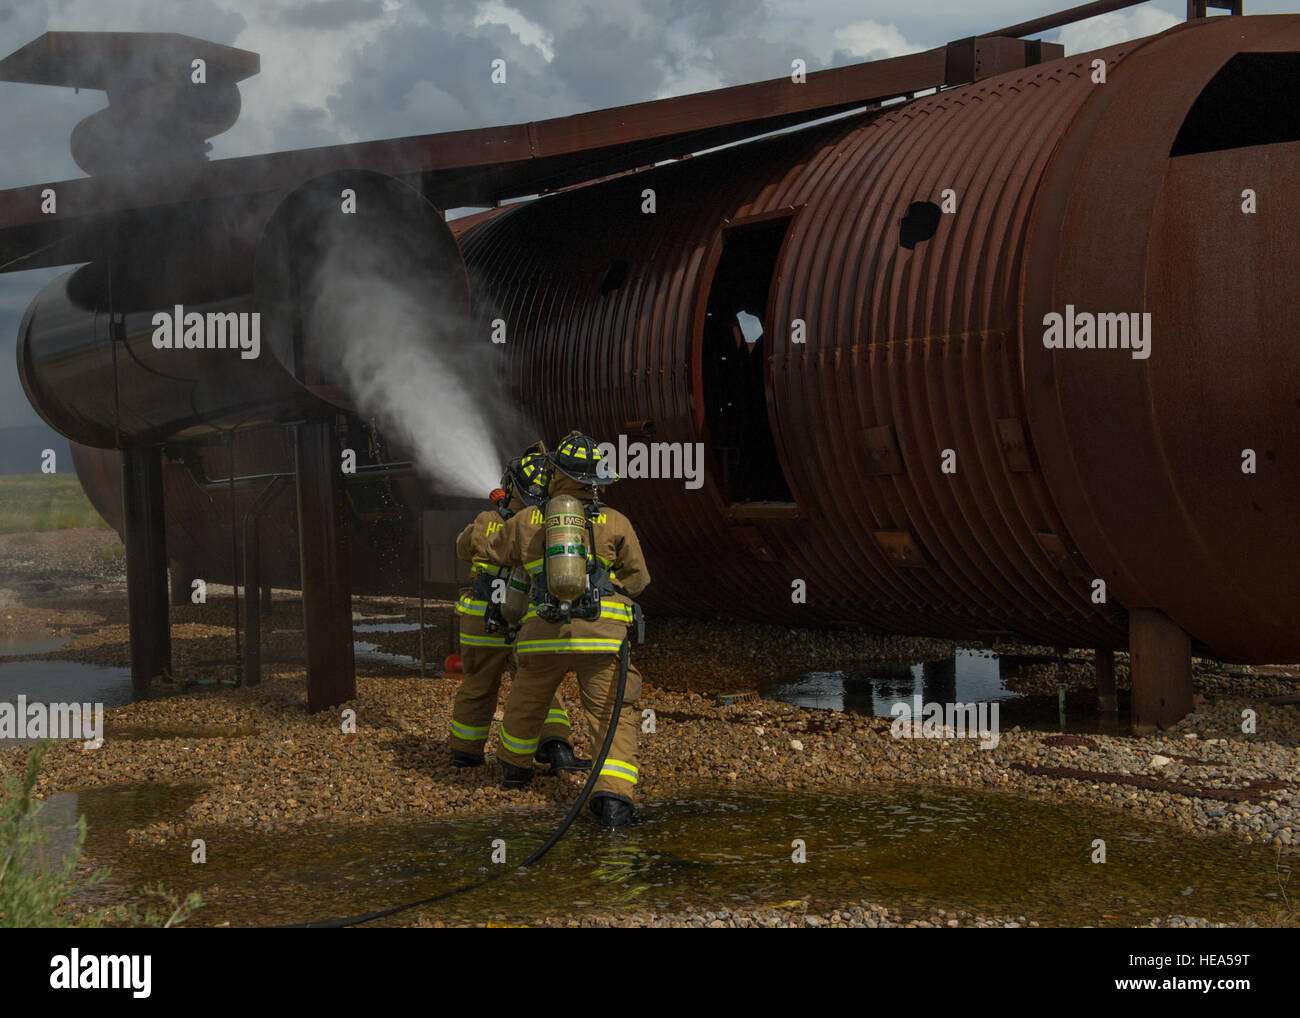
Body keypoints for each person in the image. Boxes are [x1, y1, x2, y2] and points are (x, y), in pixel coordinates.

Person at [486, 431, 650, 828]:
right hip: (602, 637)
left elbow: (492, 552)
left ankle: (514, 771)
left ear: (554, 472)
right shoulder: (615, 521)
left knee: (526, 704)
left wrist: (502, 522)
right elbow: (639, 578)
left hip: (544, 635)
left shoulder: (529, 520)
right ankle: (612, 801)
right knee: (610, 715)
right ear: (595, 480)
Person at [448, 448, 587, 773]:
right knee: (538, 684)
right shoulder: (545, 524)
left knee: (479, 684)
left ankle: (465, 755)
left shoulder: (486, 521)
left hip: (482, 622)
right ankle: (556, 749)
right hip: (528, 622)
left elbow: (463, 548)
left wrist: (496, 518)